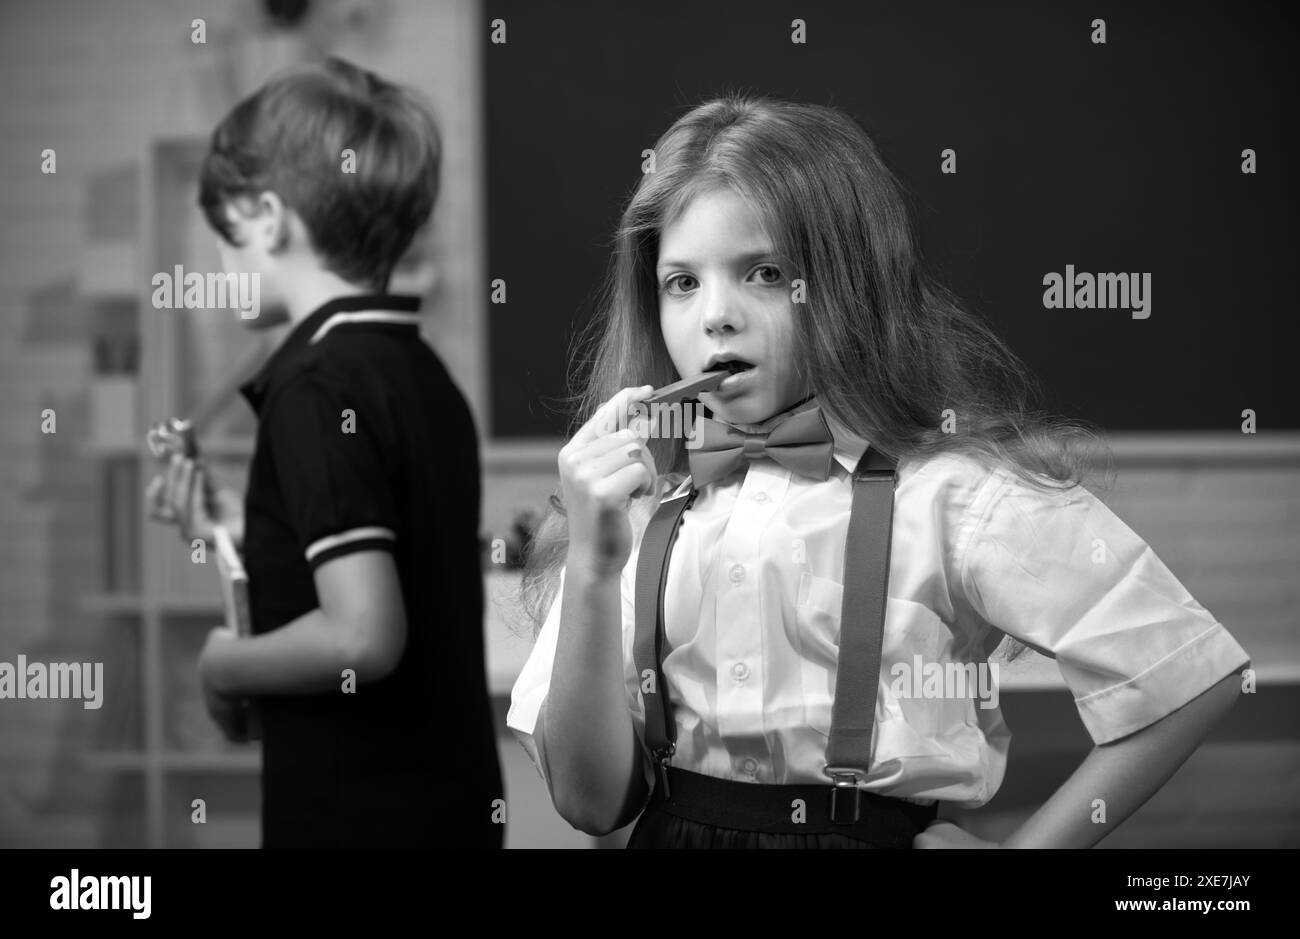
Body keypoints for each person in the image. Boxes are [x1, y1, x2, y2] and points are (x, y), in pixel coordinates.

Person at [506, 94, 1251, 848]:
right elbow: (591, 803)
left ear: (847, 283)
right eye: (682, 282)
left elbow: (1186, 672)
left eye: (763, 272)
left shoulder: (954, 493)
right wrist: (595, 572)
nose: (715, 316)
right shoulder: (637, 504)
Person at [147, 57, 503, 848]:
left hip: (359, 821)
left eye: (224, 236)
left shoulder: (314, 384)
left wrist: (221, 664)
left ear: (267, 219)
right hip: (448, 808)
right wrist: (230, 523)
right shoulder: (416, 369)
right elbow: (373, 543)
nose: (220, 265)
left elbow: (362, 637)